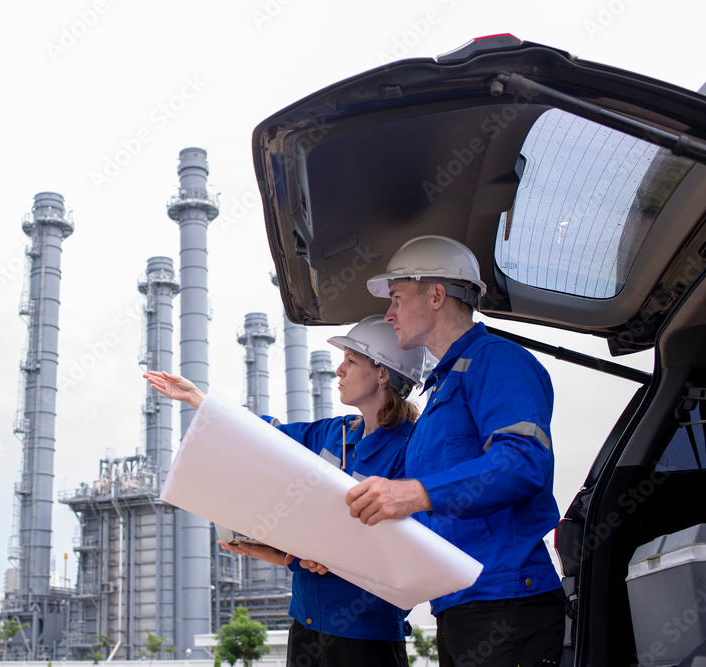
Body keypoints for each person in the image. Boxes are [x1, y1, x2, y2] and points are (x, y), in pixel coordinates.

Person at [145, 315, 431, 667]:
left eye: (351, 361)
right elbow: (265, 438)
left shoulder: (414, 449)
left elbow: (405, 546)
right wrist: (199, 400)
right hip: (306, 623)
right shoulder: (334, 433)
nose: (339, 371)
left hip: (366, 634)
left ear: (383, 373)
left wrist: (298, 554)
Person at [345, 235, 565, 667]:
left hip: (506, 606)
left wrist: (411, 494)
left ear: (437, 296)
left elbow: (524, 461)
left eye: (396, 297)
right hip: (459, 605)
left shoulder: (496, 361)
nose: (388, 314)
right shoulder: (443, 389)